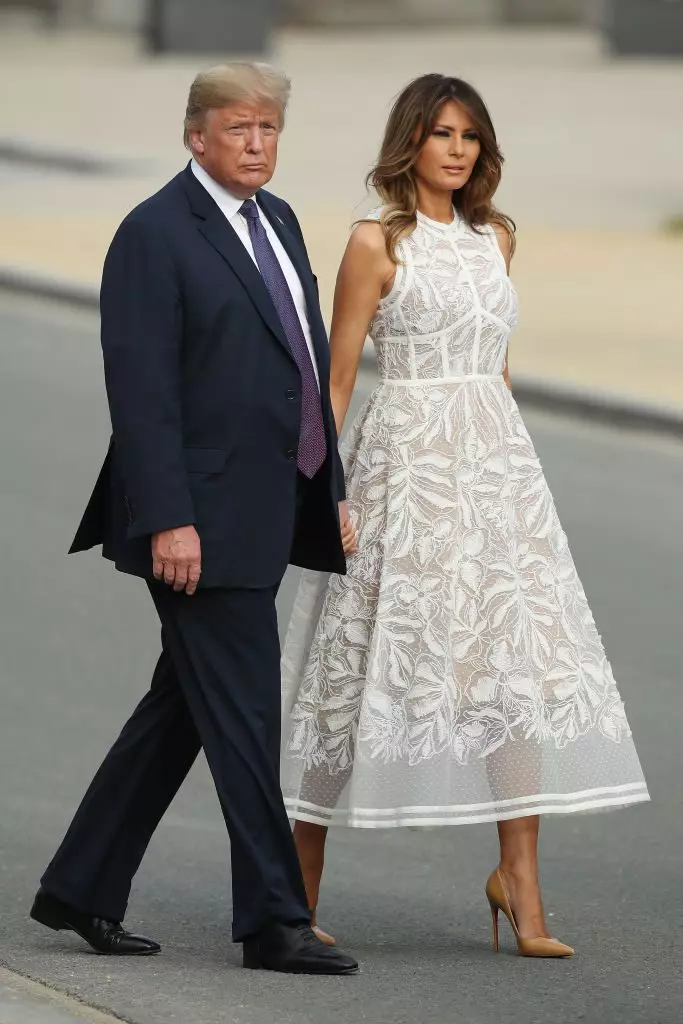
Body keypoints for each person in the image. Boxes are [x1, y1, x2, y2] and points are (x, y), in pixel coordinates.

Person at [280, 73, 650, 957]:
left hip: (494, 472)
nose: (457, 149)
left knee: (506, 673)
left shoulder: (497, 238)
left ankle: (520, 891)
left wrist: (510, 479)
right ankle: (291, 895)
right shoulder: (374, 242)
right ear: (410, 139)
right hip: (401, 465)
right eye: (442, 133)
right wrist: (321, 491)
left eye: (470, 137)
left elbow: (498, 367)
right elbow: (334, 382)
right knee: (351, 665)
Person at [30, 62, 358, 976]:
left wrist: (329, 489)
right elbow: (140, 395)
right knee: (246, 715)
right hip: (198, 525)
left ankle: (80, 886)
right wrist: (170, 520)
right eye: (239, 129)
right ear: (196, 136)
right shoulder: (152, 234)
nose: (257, 145)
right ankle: (272, 923)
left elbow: (302, 363)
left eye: (269, 130)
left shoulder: (281, 221)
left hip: (266, 507)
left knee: (181, 709)